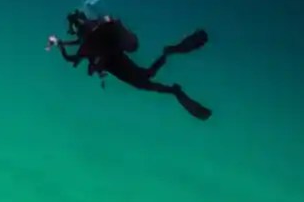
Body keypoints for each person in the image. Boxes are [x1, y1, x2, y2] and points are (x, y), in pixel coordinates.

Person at [47, 9, 213, 120]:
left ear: (75, 25)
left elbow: (72, 58)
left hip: (119, 66)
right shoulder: (94, 31)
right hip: (120, 61)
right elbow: (80, 44)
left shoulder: (87, 41)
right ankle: (169, 61)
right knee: (147, 77)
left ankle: (173, 85)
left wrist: (59, 47)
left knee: (145, 81)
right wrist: (61, 43)